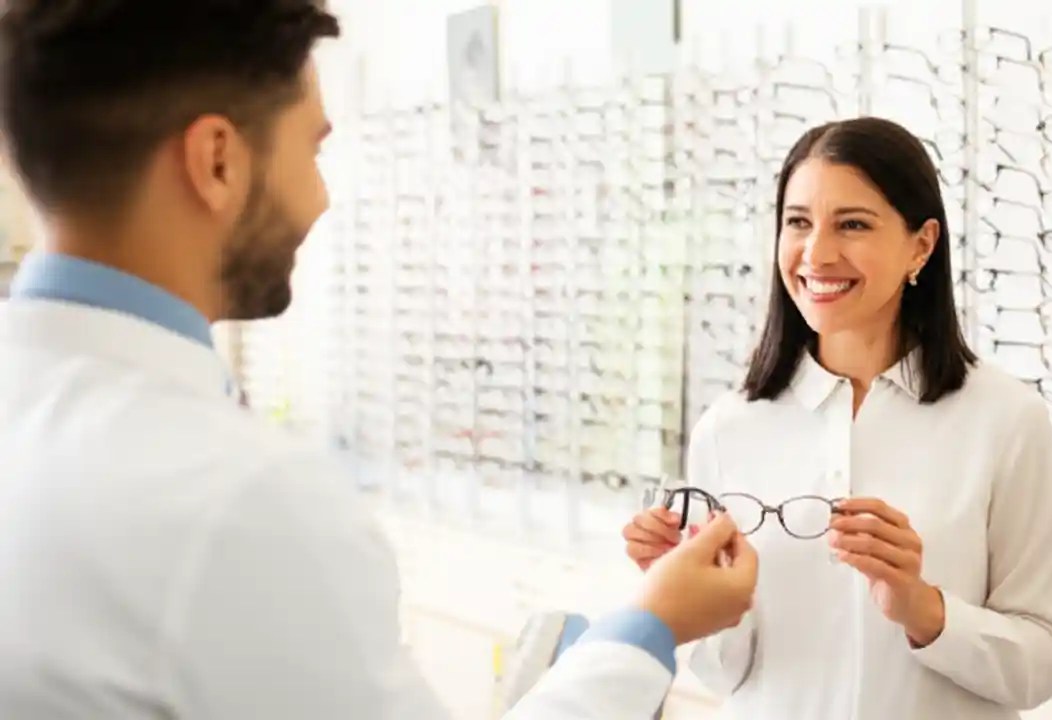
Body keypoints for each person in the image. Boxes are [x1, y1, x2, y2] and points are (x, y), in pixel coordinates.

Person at [0, 2, 758, 719]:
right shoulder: (240, 501)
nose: (321, 198)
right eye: (313, 148)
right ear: (218, 161)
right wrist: (650, 627)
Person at [623, 117, 1052, 719]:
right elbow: (726, 674)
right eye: (798, 222)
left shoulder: (1006, 421)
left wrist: (922, 608)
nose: (817, 253)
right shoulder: (728, 429)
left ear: (921, 245)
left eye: (852, 224)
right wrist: (680, 585)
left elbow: (1041, 664)